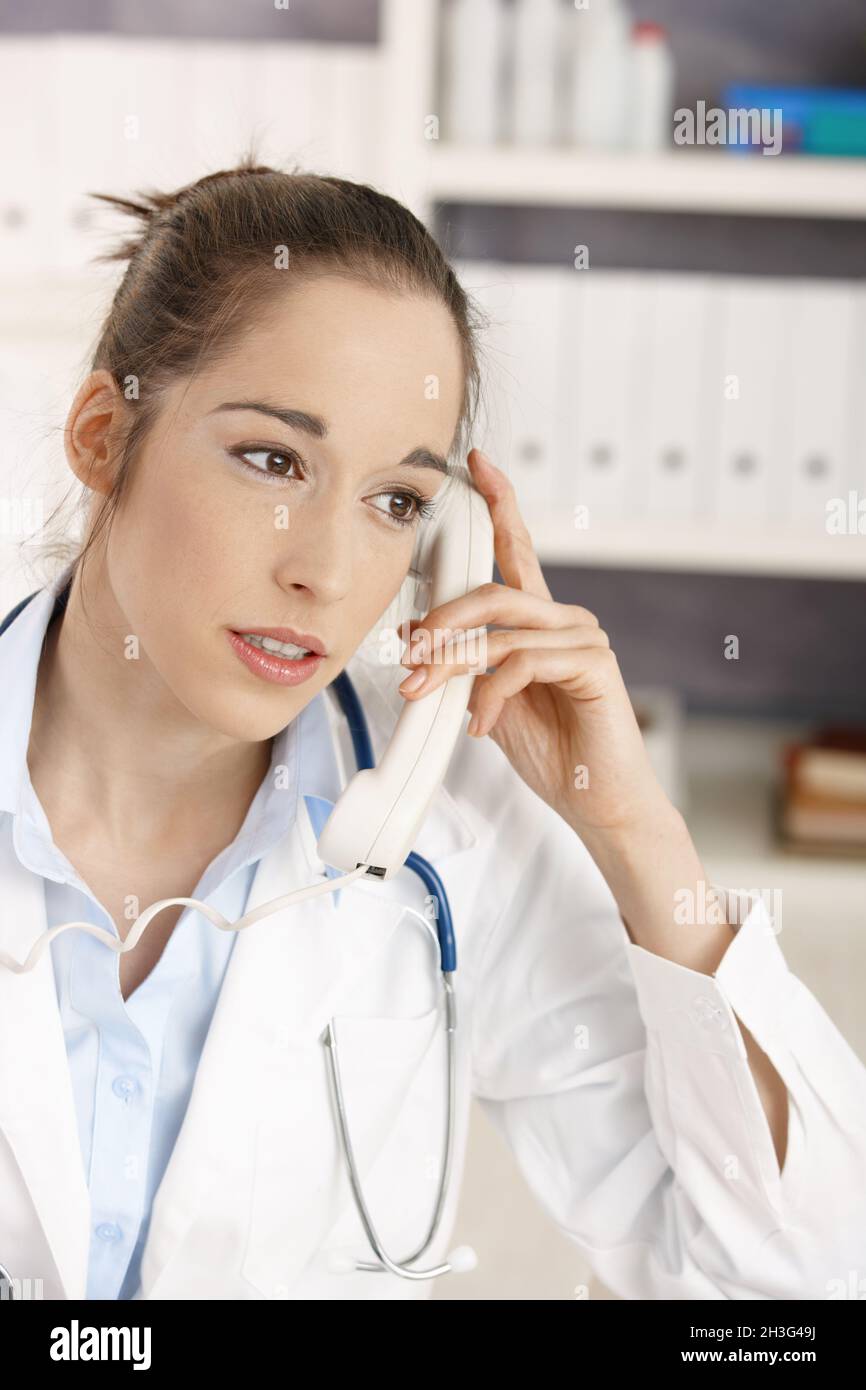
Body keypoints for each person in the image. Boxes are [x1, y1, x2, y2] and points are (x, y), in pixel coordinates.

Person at [0, 157, 863, 1302]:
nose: (326, 570)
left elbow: (794, 1292)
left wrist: (634, 832)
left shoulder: (449, 835)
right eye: (272, 459)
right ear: (104, 436)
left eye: (394, 502)